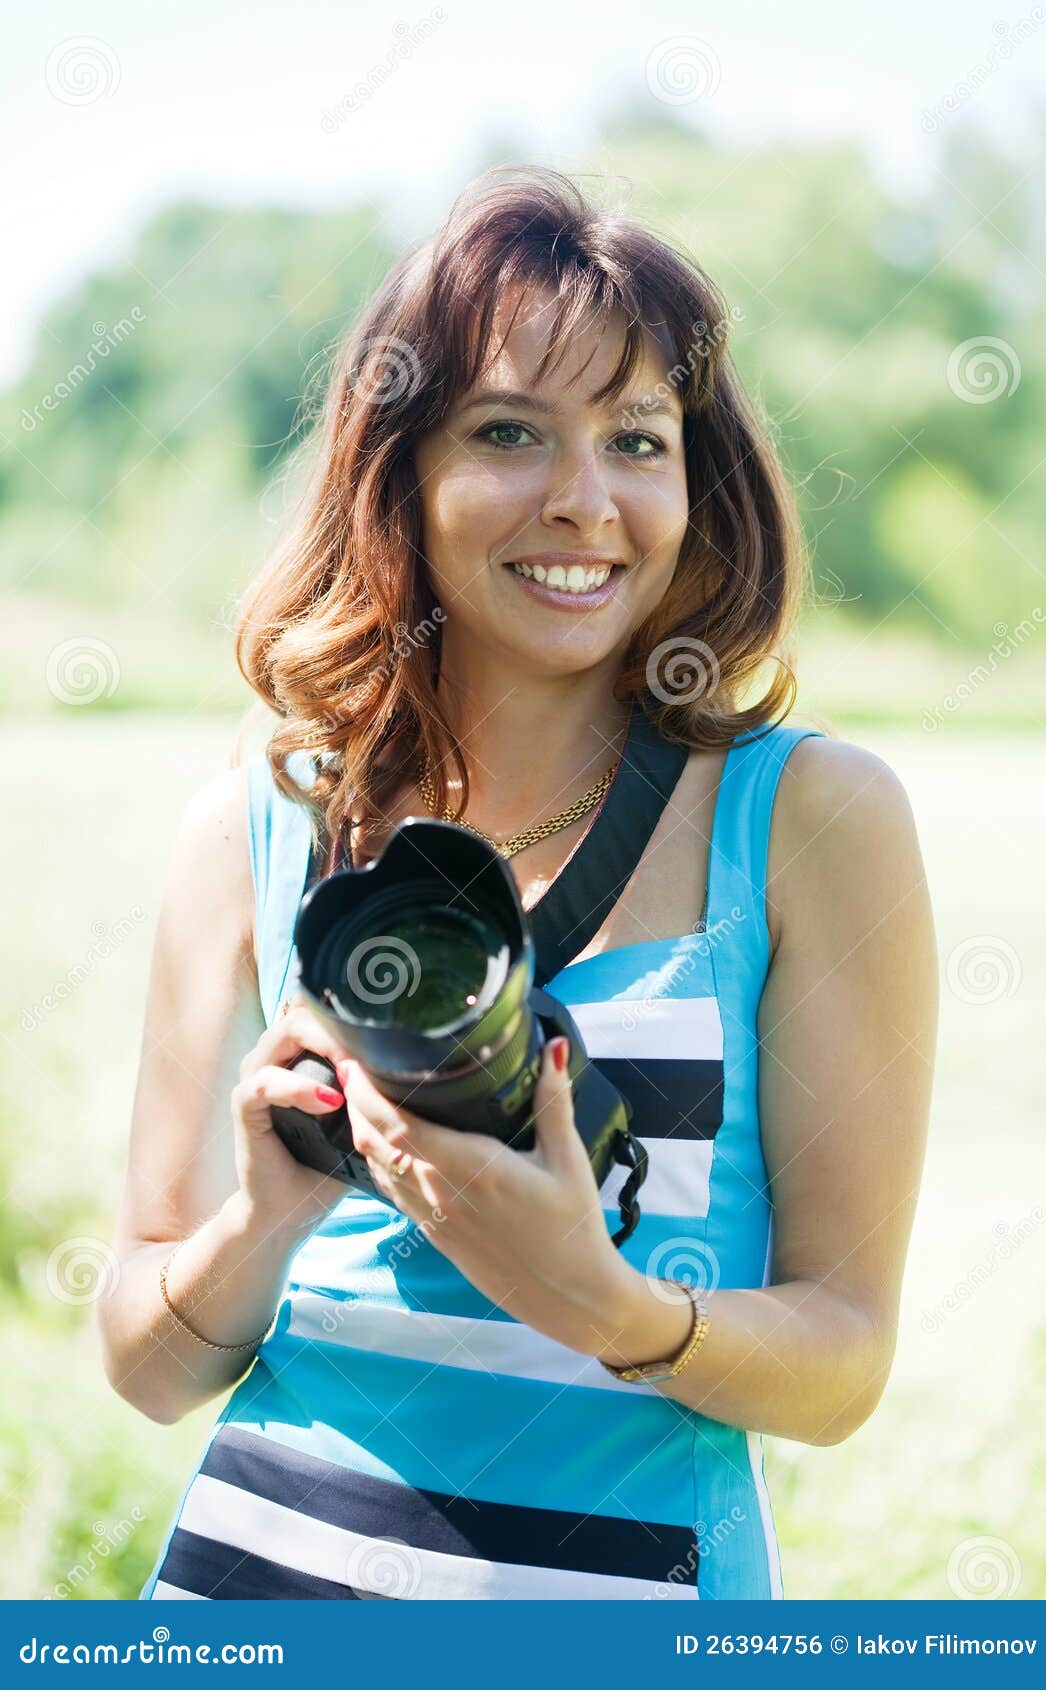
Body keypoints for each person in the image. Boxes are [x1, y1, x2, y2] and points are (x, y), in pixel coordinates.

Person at [97, 166, 938, 1601]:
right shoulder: (255, 823)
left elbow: (841, 1364)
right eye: (507, 432)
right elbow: (147, 1362)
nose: (583, 501)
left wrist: (606, 1303)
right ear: (402, 471)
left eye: (636, 438)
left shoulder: (805, 819)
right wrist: (269, 1215)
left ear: (694, 477)